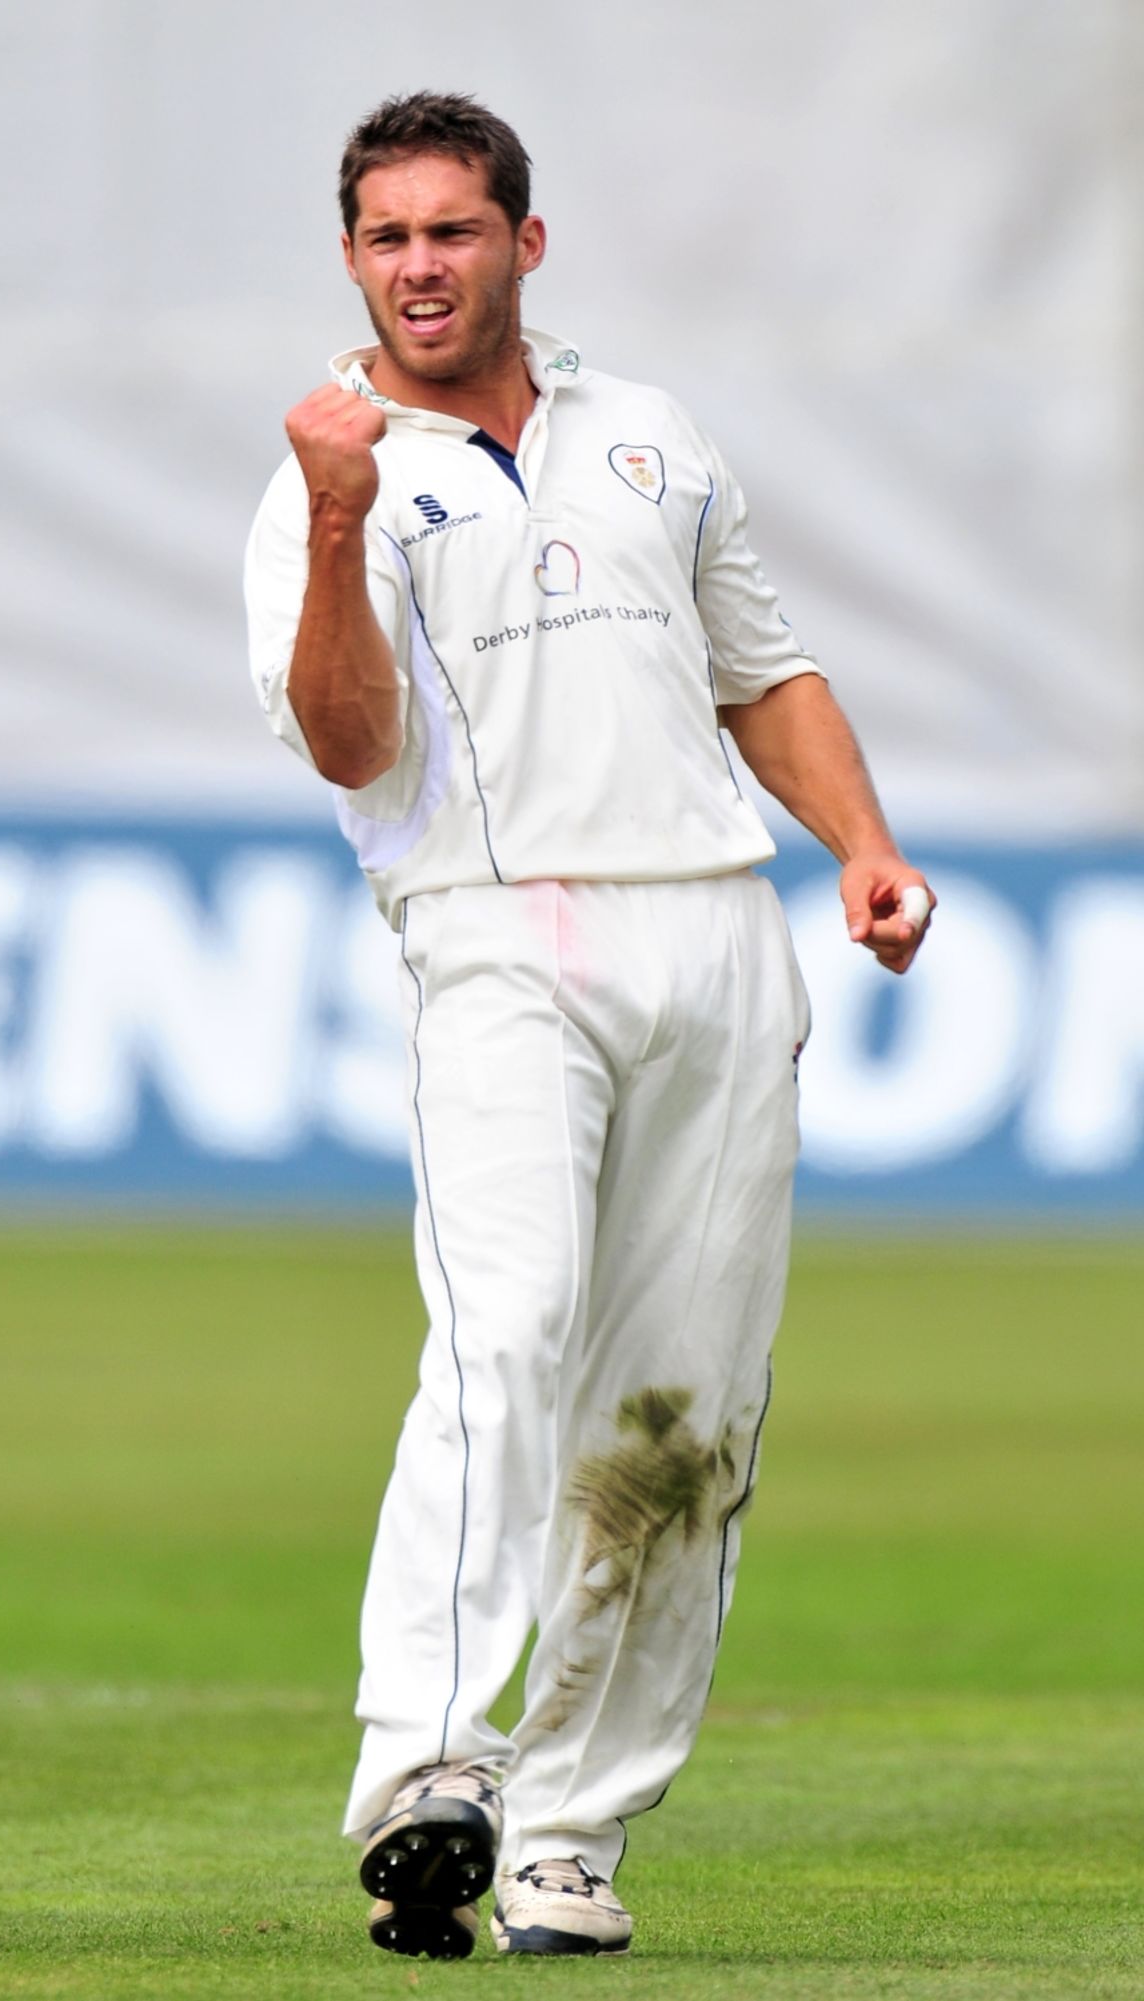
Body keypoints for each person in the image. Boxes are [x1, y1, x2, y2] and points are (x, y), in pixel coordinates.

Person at [244, 89, 934, 1963]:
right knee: (510, 1330)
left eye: (453, 230)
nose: (421, 267)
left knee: (678, 1413)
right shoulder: (324, 475)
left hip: (715, 933)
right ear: (351, 258)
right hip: (502, 938)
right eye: (388, 237)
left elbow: (761, 670)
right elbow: (349, 743)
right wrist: (339, 513)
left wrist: (865, 847)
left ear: (523, 243)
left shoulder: (649, 432)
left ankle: (565, 1831)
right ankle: (427, 1767)